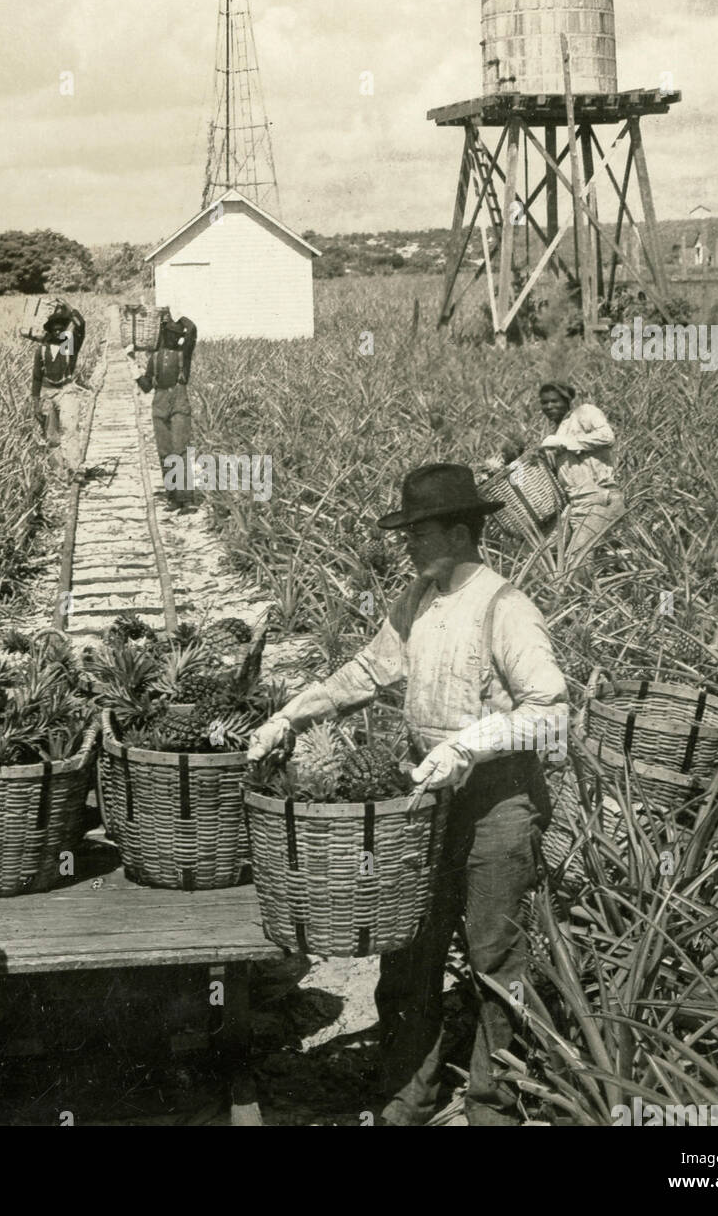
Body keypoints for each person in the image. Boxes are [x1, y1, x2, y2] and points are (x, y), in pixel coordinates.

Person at [247, 463, 568, 1126]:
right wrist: (293, 713)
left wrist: (468, 745)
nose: (407, 544)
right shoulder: (420, 596)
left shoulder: (506, 607)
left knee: (493, 954)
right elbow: (368, 668)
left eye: (418, 532)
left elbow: (550, 710)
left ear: (458, 531)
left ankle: (491, 1104)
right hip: (426, 797)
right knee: (410, 946)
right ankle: (408, 1093)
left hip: (498, 802)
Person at [536, 380, 624, 573]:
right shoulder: (558, 429)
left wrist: (566, 442)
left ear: (567, 401)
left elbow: (607, 436)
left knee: (576, 560)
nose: (549, 406)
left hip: (599, 499)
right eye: (545, 403)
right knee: (537, 552)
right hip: (575, 504)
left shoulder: (584, 412)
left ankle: (577, 599)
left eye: (555, 401)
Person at [126, 307, 198, 509]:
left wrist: (178, 317)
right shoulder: (154, 358)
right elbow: (147, 386)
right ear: (163, 335)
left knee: (180, 449)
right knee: (165, 451)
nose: (173, 339)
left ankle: (186, 498)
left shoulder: (184, 355)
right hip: (159, 403)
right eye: (169, 334)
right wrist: (133, 364)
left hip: (178, 401)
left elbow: (192, 330)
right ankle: (173, 497)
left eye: (177, 336)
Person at [29, 300, 88, 477]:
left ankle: (75, 468)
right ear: (49, 331)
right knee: (51, 435)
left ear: (64, 330)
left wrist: (70, 309)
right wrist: (35, 402)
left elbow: (81, 325)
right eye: (54, 329)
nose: (57, 331)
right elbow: (36, 376)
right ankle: (59, 471)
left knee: (70, 428)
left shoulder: (69, 345)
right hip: (47, 393)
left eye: (60, 329)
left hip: (66, 390)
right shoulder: (42, 350)